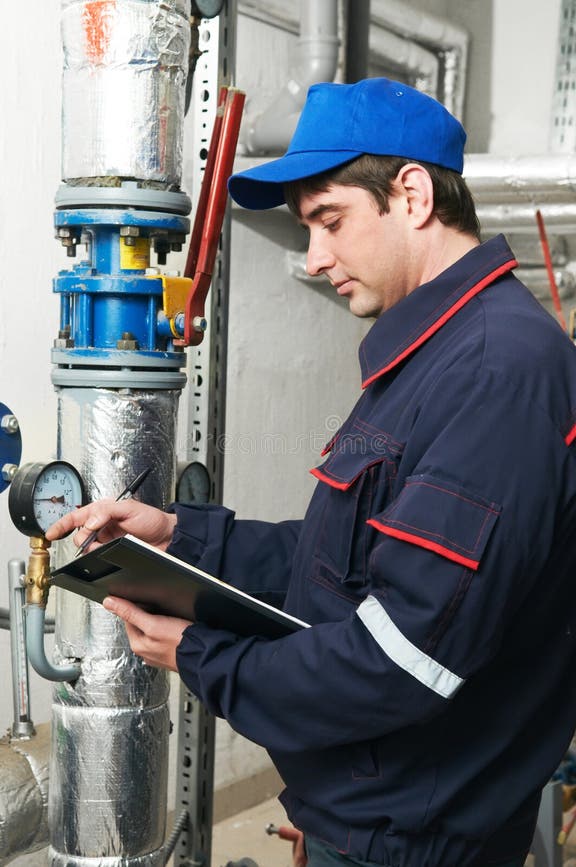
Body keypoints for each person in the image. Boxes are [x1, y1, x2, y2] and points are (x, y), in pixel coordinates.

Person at [46, 78, 576, 867]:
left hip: (409, 842)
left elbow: (400, 663)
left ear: (414, 194)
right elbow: (348, 561)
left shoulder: (496, 371)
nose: (318, 257)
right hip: (370, 817)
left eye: (330, 221)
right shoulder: (434, 355)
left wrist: (202, 654)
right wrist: (184, 537)